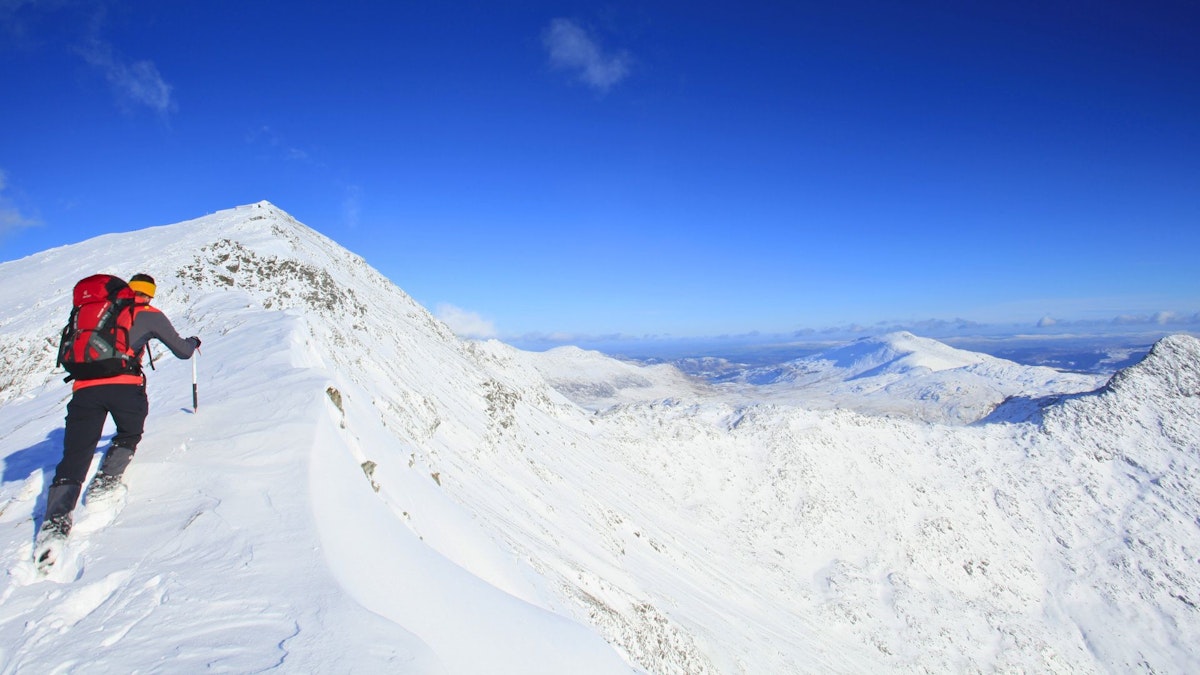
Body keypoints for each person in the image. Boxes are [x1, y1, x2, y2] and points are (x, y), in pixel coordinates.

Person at [37, 273, 201, 552]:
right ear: (149, 294)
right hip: (125, 387)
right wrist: (194, 342)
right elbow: (183, 352)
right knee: (129, 432)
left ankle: (56, 521)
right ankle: (106, 480)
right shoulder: (149, 314)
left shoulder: (100, 313)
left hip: (84, 389)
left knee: (76, 453)